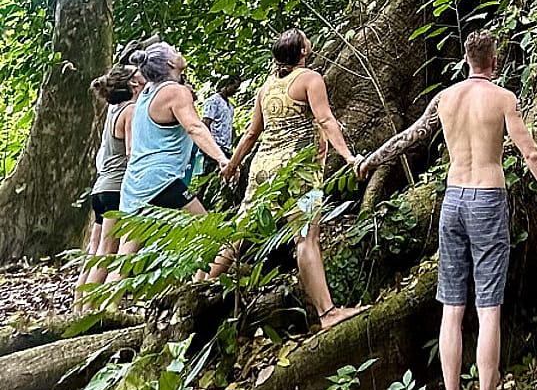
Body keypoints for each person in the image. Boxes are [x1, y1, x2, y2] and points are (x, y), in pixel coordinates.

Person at [356, 29, 537, 390]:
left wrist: (370, 160)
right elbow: (531, 153)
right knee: (488, 310)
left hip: (452, 200)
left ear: (466, 59)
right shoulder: (504, 99)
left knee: (452, 309)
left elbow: (409, 137)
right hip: (487, 199)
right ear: (495, 61)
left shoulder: (445, 98)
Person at [212, 29, 366, 329]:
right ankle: (327, 313)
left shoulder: (266, 87)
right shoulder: (310, 79)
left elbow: (251, 133)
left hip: (263, 169)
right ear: (303, 52)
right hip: (297, 170)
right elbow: (325, 120)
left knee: (239, 234)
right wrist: (349, 157)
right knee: (306, 239)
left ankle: (199, 282)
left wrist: (232, 165)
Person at [108, 42, 230, 269]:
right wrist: (223, 159)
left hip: (135, 183)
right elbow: (195, 128)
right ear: (171, 63)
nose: (178, 49)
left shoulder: (147, 92)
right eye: (174, 50)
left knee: (126, 255)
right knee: (217, 238)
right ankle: (201, 291)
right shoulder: (175, 92)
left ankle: (107, 303)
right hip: (161, 181)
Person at [76, 65, 145, 297]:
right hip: (117, 187)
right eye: (138, 74)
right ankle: (91, 308)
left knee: (94, 250)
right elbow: (131, 152)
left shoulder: (114, 109)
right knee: (108, 251)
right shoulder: (132, 110)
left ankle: (79, 301)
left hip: (101, 188)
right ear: (133, 84)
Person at [201, 75, 240, 172]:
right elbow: (206, 123)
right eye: (234, 87)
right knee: (209, 174)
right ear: (227, 85)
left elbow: (229, 126)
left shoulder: (230, 106)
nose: (235, 91)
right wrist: (206, 145)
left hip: (226, 148)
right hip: (214, 147)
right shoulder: (213, 101)